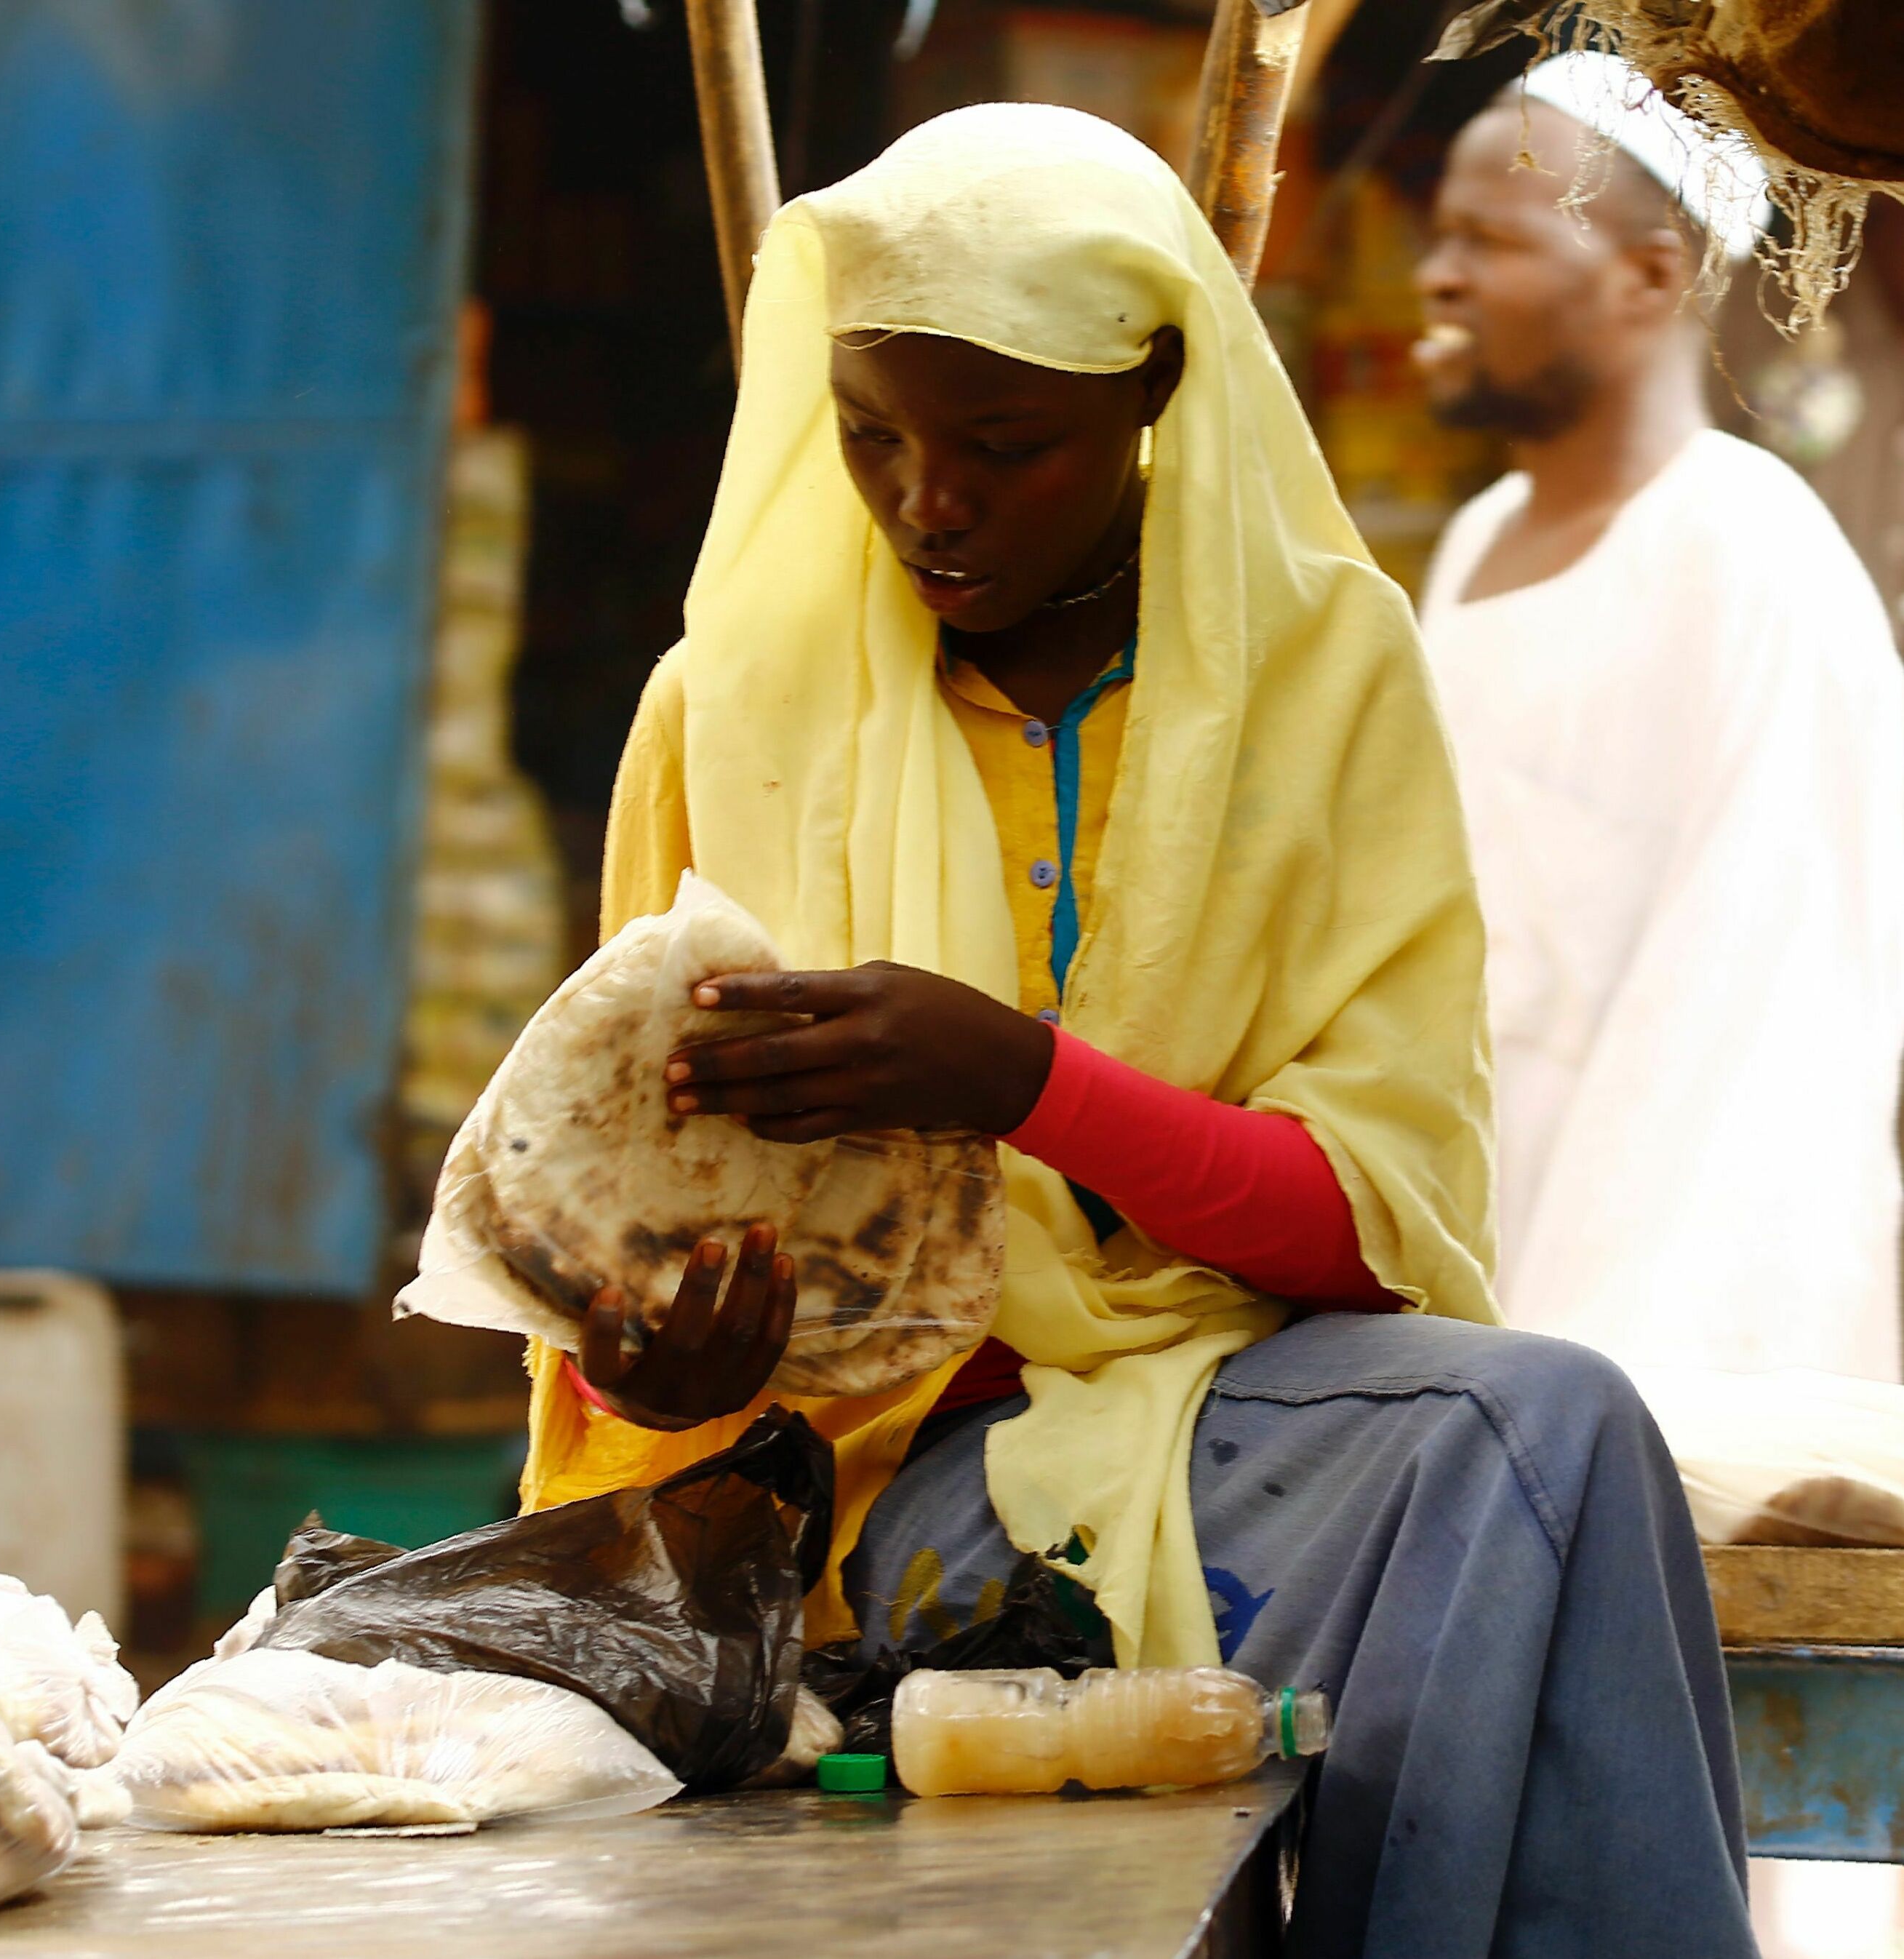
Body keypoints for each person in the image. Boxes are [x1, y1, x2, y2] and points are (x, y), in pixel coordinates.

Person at [523, 105, 1753, 1956]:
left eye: (1001, 448)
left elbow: (1370, 1225)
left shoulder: (1320, 666)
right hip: (877, 1501)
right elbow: (615, 1262)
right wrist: (657, 1371)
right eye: (869, 438)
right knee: (1518, 1479)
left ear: (1150, 394)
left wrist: (1017, 1080)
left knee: (1539, 1442)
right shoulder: (728, 702)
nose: (927, 499)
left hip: (1270, 1411)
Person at [1415, 51, 1904, 1381]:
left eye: (1489, 239)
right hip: (1482, 1298)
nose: (1437, 276)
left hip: (1672, 1338)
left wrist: (1604, 1376)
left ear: (1650, 274)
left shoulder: (1745, 549)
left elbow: (1763, 1016)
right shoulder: (1474, 544)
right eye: (1438, 235)